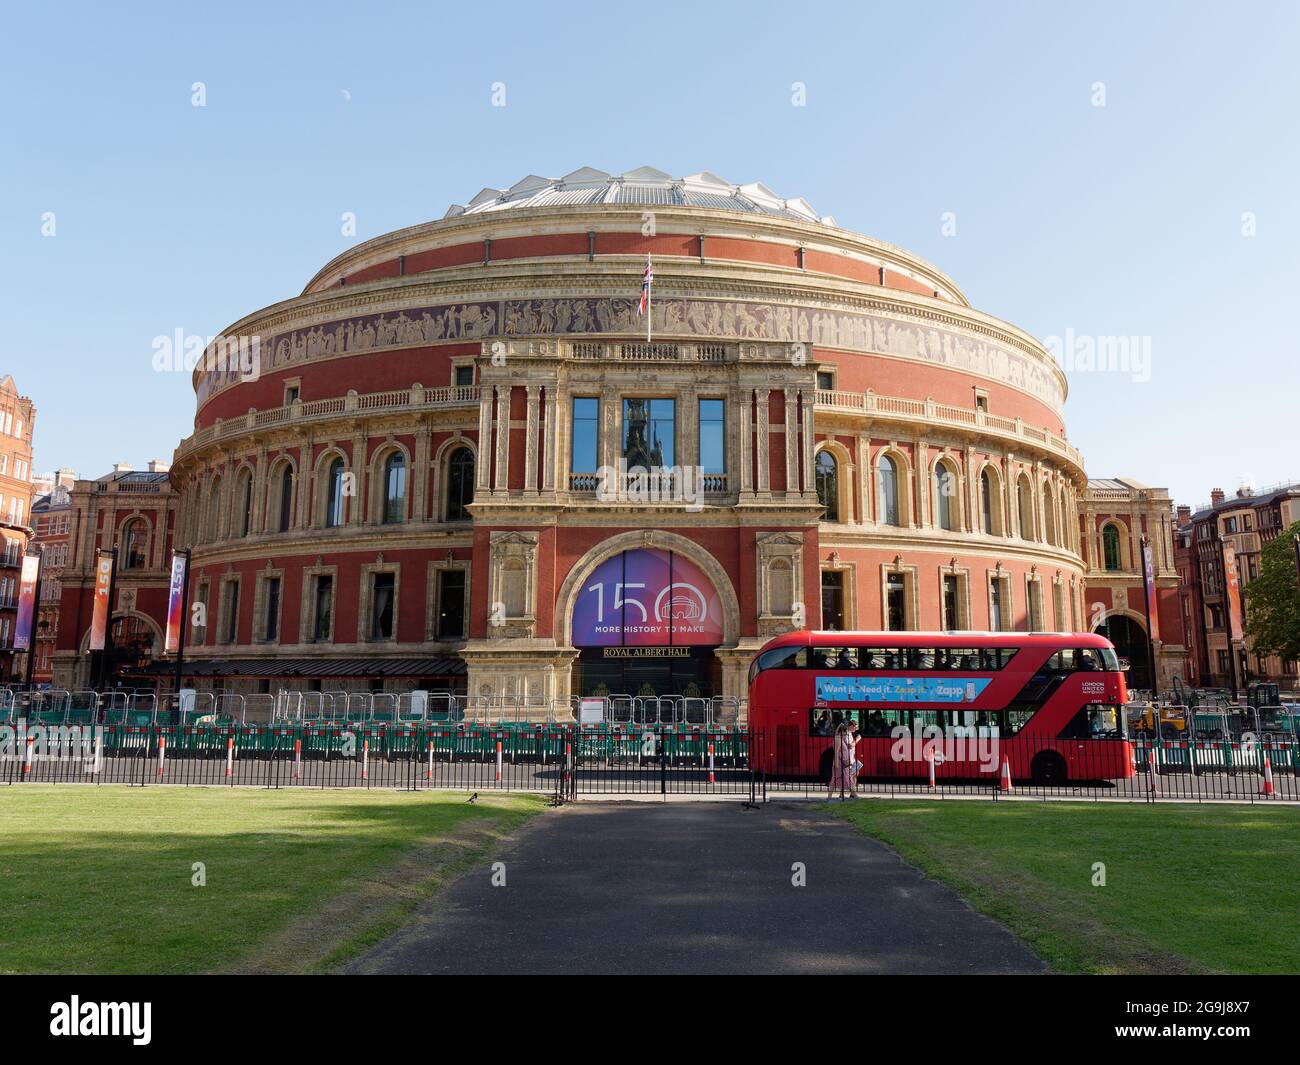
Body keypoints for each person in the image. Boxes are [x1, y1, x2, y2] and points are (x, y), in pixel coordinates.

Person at [827, 719, 860, 800]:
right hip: (841, 763)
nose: (847, 734)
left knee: (840, 778)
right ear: (842, 732)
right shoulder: (838, 738)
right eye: (845, 732)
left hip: (844, 762)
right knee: (840, 778)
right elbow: (837, 752)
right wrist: (837, 764)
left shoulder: (840, 737)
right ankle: (854, 795)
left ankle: (830, 797)